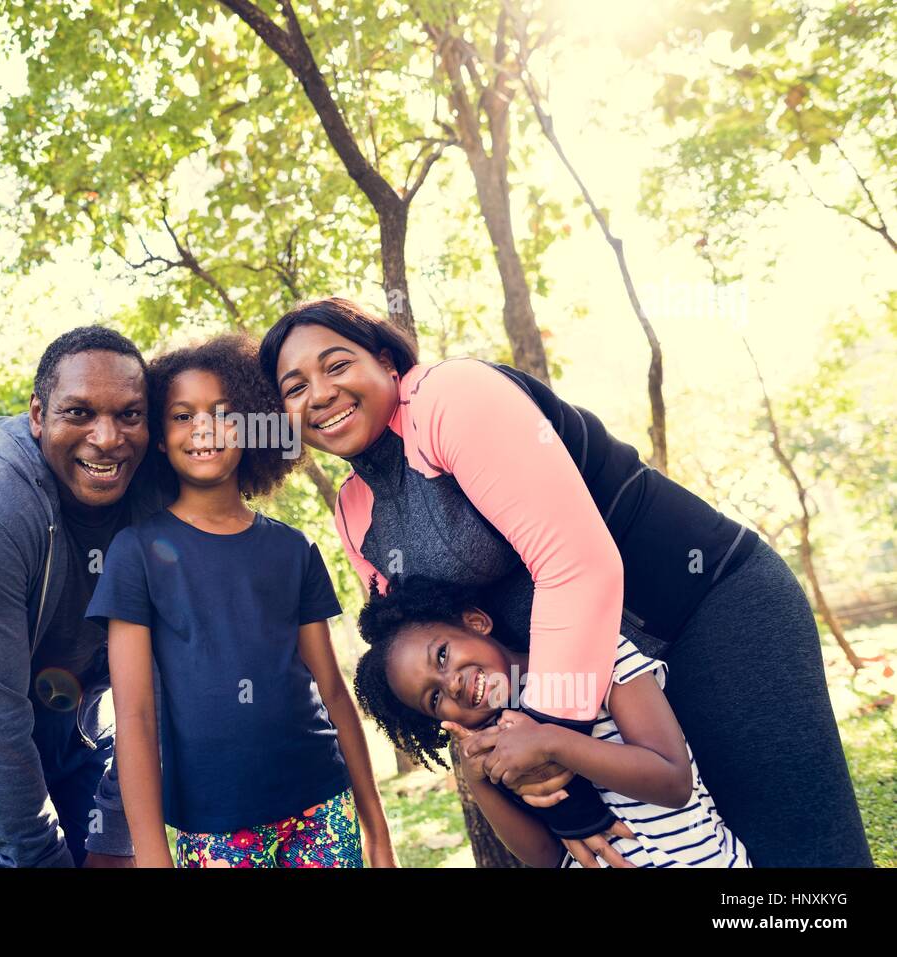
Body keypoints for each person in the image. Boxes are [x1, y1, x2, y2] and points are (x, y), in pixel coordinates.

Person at [259, 297, 872, 867]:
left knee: (804, 863)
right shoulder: (354, 511)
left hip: (706, 612)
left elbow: (576, 564)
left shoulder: (453, 395)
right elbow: (420, 646)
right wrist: (544, 787)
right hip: (595, 689)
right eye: (294, 388)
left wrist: (550, 747)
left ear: (387, 362)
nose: (320, 393)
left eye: (337, 364)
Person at [86, 335, 395, 867]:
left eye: (222, 414)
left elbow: (334, 695)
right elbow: (133, 717)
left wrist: (378, 833)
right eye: (182, 416)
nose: (202, 429)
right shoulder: (134, 553)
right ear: (160, 437)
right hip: (211, 830)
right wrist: (154, 857)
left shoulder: (292, 548)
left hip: (321, 805)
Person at [0, 326, 163, 867]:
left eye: (129, 415)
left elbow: (161, 683)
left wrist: (116, 837)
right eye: (79, 413)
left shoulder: (161, 495)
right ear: (39, 415)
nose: (108, 438)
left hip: (80, 725)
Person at [354, 575, 752, 867]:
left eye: (442, 656)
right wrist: (480, 781)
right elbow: (546, 858)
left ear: (476, 622)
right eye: (434, 698)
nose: (452, 683)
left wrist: (549, 742)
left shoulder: (595, 657)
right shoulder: (497, 745)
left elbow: (673, 782)